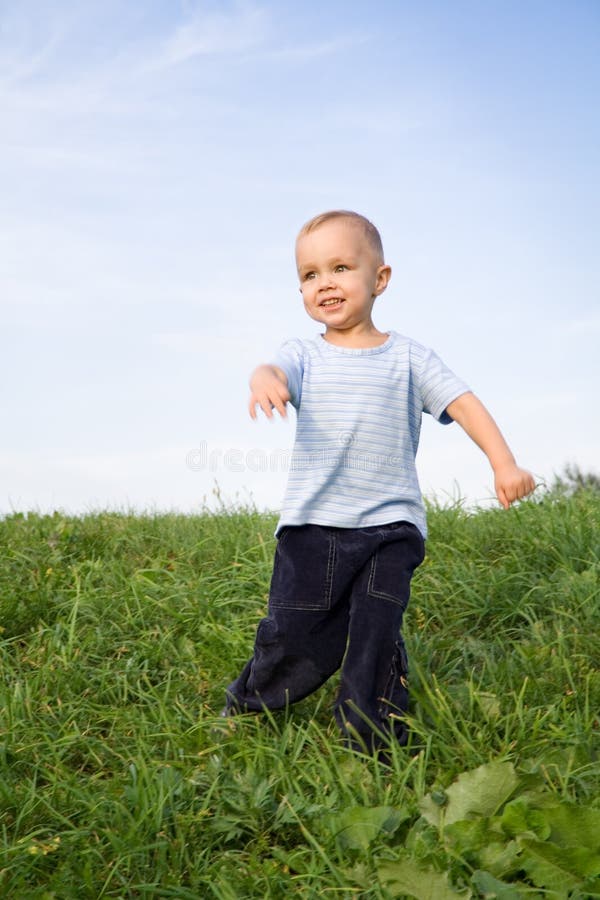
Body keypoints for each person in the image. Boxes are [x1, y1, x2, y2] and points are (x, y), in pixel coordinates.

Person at [223, 210, 535, 754]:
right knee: (295, 635)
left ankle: (373, 738)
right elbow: (270, 369)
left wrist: (503, 463)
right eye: (310, 274)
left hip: (392, 526)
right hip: (313, 526)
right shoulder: (305, 354)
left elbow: (463, 404)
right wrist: (264, 379)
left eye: (340, 267)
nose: (325, 283)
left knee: (376, 632)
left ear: (380, 278)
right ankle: (250, 702)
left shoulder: (410, 357)